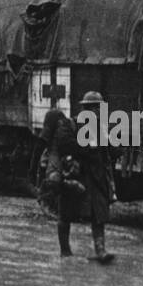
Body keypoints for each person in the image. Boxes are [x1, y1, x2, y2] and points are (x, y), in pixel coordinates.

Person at [42, 90, 115, 263]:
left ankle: (100, 251)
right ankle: (65, 251)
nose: (97, 113)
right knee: (65, 214)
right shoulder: (69, 125)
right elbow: (64, 144)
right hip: (74, 176)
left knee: (99, 215)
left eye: (99, 109)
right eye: (94, 109)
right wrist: (89, 148)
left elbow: (112, 150)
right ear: (86, 109)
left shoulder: (102, 129)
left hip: (96, 178)